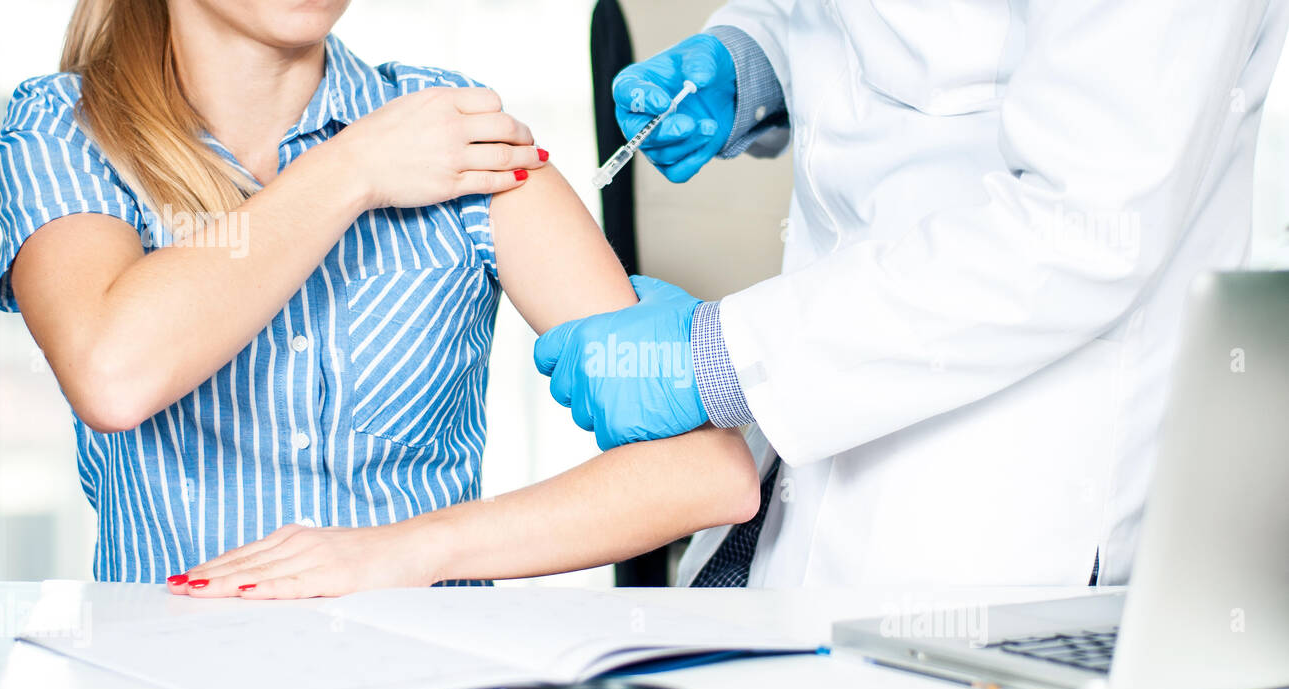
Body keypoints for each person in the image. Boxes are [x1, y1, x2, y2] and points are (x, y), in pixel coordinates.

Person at [0, 0, 760, 598]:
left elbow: (706, 472)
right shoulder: (64, 129)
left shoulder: (455, 129)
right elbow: (113, 373)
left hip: (426, 686)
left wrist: (410, 550)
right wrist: (352, 167)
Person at [534, 1, 1289, 587]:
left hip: (1008, 475)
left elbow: (1089, 226)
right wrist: (757, 58)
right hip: (821, 435)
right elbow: (887, 30)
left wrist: (722, 358)